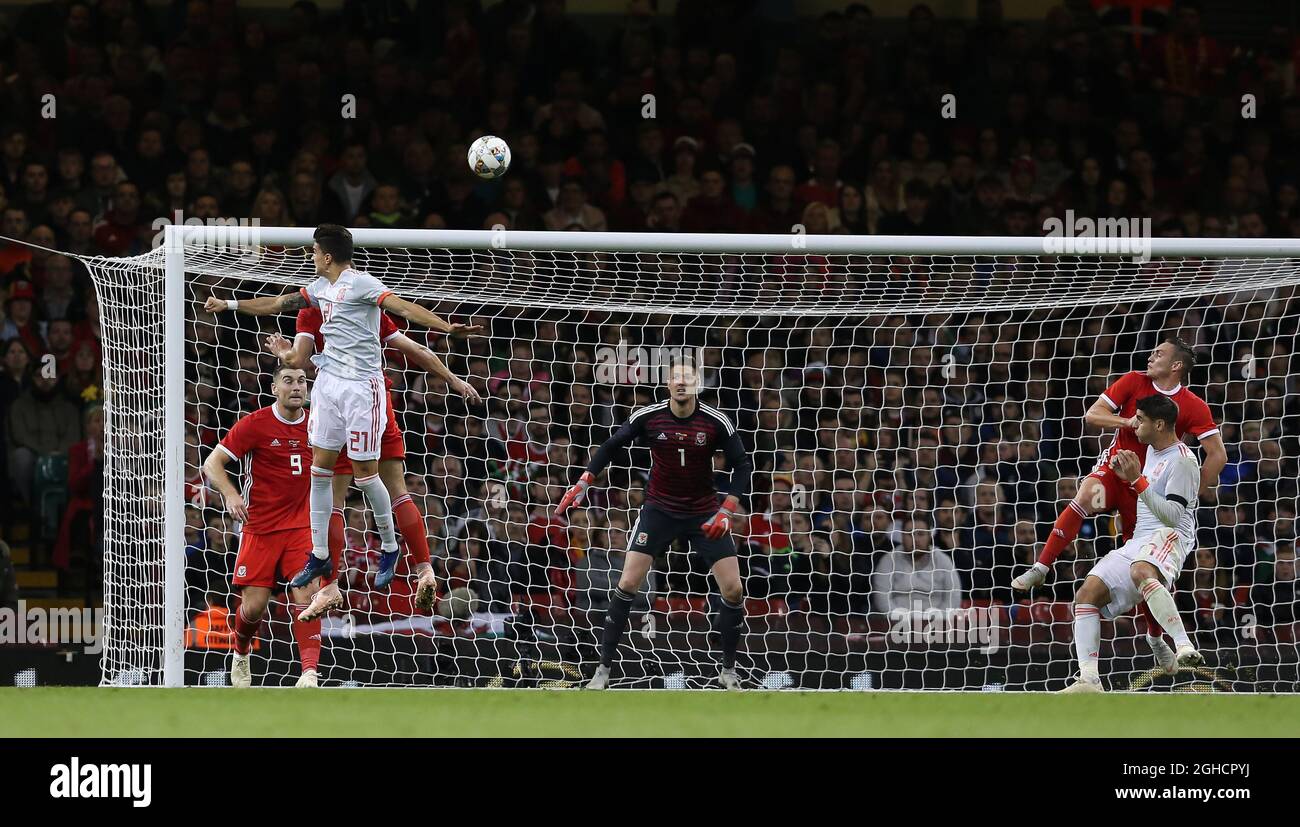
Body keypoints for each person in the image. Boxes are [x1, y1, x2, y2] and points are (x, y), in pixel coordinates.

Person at [203, 225, 482, 597]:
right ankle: (324, 564)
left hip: (364, 393)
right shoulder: (315, 297)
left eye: (315, 252)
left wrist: (446, 332)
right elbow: (286, 325)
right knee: (321, 473)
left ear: (328, 255)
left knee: (369, 479)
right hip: (328, 391)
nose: (311, 257)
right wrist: (232, 307)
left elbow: (404, 312)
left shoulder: (363, 288)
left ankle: (393, 550)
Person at [264, 303, 481, 619]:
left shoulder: (311, 311)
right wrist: (453, 378)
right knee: (396, 489)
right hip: (377, 404)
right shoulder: (368, 308)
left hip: (338, 409)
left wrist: (283, 352)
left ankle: (330, 586)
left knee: (334, 498)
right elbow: (415, 346)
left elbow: (298, 360)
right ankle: (424, 570)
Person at [555, 362, 753, 690]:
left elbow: (743, 465)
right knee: (628, 582)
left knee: (733, 589)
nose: (680, 384)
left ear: (697, 385)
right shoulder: (648, 416)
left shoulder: (716, 421)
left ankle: (728, 671)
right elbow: (609, 446)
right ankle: (603, 670)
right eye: (675, 378)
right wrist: (584, 481)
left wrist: (727, 509)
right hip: (659, 509)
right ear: (667, 383)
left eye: (687, 379)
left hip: (703, 511)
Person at [1014, 337, 1226, 591]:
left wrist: (1191, 493)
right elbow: (1093, 414)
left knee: (1143, 563)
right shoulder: (1134, 380)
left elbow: (1218, 455)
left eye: (1159, 354)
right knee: (1084, 497)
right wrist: (1126, 422)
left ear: (1176, 365)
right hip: (1114, 470)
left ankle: (1154, 631)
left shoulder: (1193, 405)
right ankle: (1041, 567)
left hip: (1148, 487)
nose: (1150, 357)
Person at [1060, 394, 1205, 693]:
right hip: (1140, 538)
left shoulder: (1183, 461)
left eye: (1140, 419)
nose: (1134, 424)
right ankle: (1089, 680)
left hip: (1171, 534)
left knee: (1142, 571)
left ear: (1160, 424)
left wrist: (1136, 480)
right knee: (1087, 594)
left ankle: (1183, 645)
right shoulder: (1151, 451)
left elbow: (1172, 516)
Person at [201, 365, 323, 687]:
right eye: (288, 381)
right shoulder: (255, 424)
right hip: (260, 528)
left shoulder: (319, 424)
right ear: (274, 388)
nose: (296, 387)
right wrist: (230, 495)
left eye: (301, 381)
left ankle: (309, 672)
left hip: (301, 527)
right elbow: (212, 464)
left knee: (307, 595)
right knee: (253, 608)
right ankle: (240, 653)